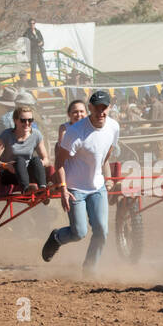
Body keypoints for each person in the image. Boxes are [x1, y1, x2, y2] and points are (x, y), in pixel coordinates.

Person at [42, 90, 119, 273]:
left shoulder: (113, 126)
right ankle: (57, 237)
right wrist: (62, 189)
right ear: (90, 108)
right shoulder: (75, 132)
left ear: (109, 108)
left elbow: (108, 150)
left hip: (97, 186)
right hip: (75, 187)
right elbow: (59, 163)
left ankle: (89, 269)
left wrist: (100, 171)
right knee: (79, 232)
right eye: (97, 108)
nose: (101, 112)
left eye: (104, 108)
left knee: (101, 231)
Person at [0, 105, 49, 194]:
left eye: (30, 120)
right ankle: (26, 190)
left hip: (28, 174)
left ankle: (43, 189)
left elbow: (46, 160)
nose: (27, 123)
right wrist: (6, 165)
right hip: (11, 173)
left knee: (36, 160)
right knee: (19, 160)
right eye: (23, 120)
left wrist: (42, 163)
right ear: (15, 120)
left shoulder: (36, 134)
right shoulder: (6, 135)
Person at [24, 19, 48, 86]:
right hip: (32, 52)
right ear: (28, 24)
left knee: (43, 68)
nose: (32, 25)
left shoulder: (38, 31)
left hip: (39, 51)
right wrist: (36, 44)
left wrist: (41, 43)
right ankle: (34, 84)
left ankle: (46, 83)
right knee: (33, 70)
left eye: (33, 23)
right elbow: (27, 43)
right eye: (31, 23)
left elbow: (42, 40)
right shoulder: (26, 33)